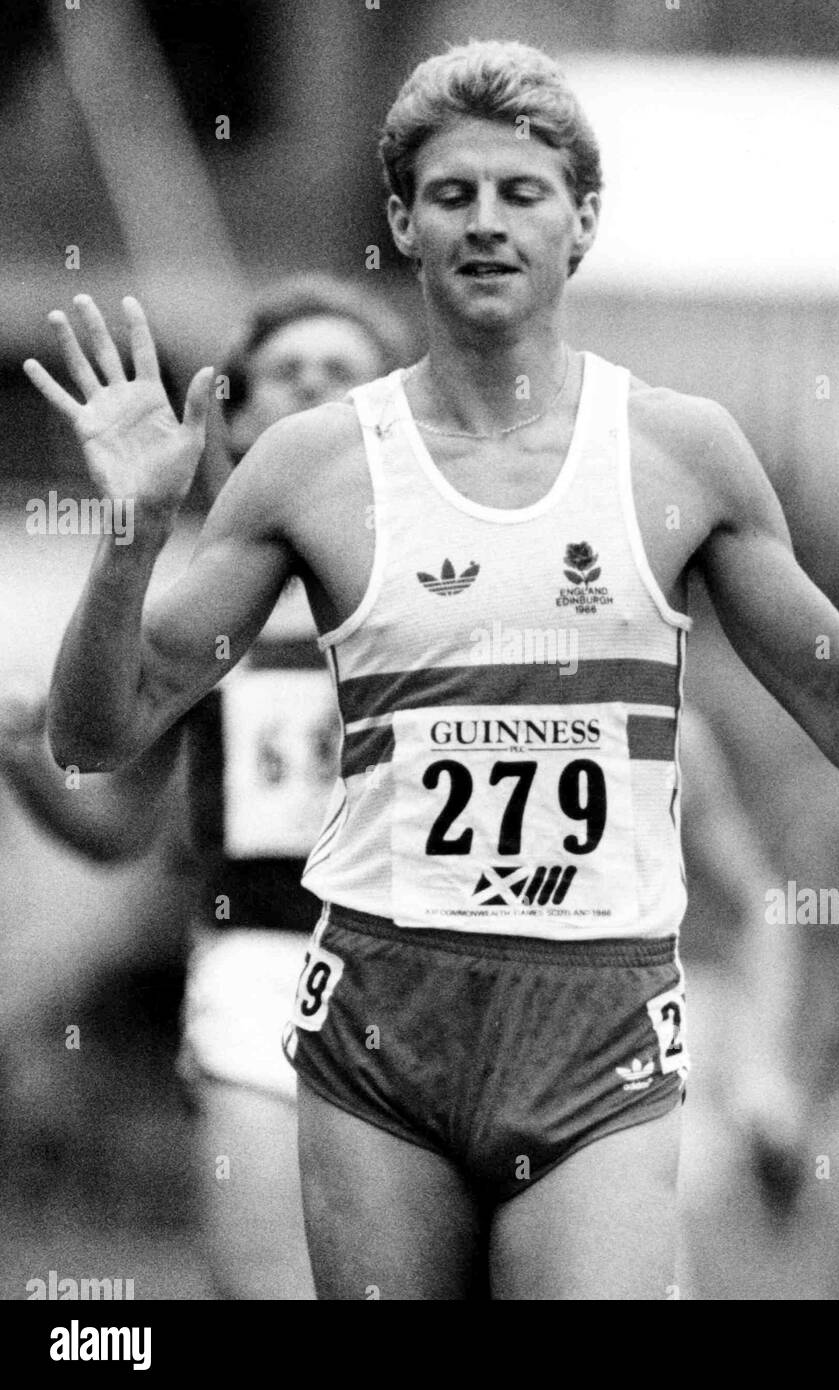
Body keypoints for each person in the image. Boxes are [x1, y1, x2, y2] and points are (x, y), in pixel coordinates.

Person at [25, 40, 839, 1300]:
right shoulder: (314, 466)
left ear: (582, 221)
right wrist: (128, 537)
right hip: (387, 1011)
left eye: (522, 192)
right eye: (452, 195)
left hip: (595, 1011)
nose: (486, 223)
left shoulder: (681, 453)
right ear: (402, 221)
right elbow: (100, 733)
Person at [5, 275, 406, 1298]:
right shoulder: (204, 613)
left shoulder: (467, 586)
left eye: (342, 371)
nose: (312, 388)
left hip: (441, 965)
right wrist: (19, 750)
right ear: (230, 420)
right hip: (261, 959)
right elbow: (112, 827)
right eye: (286, 371)